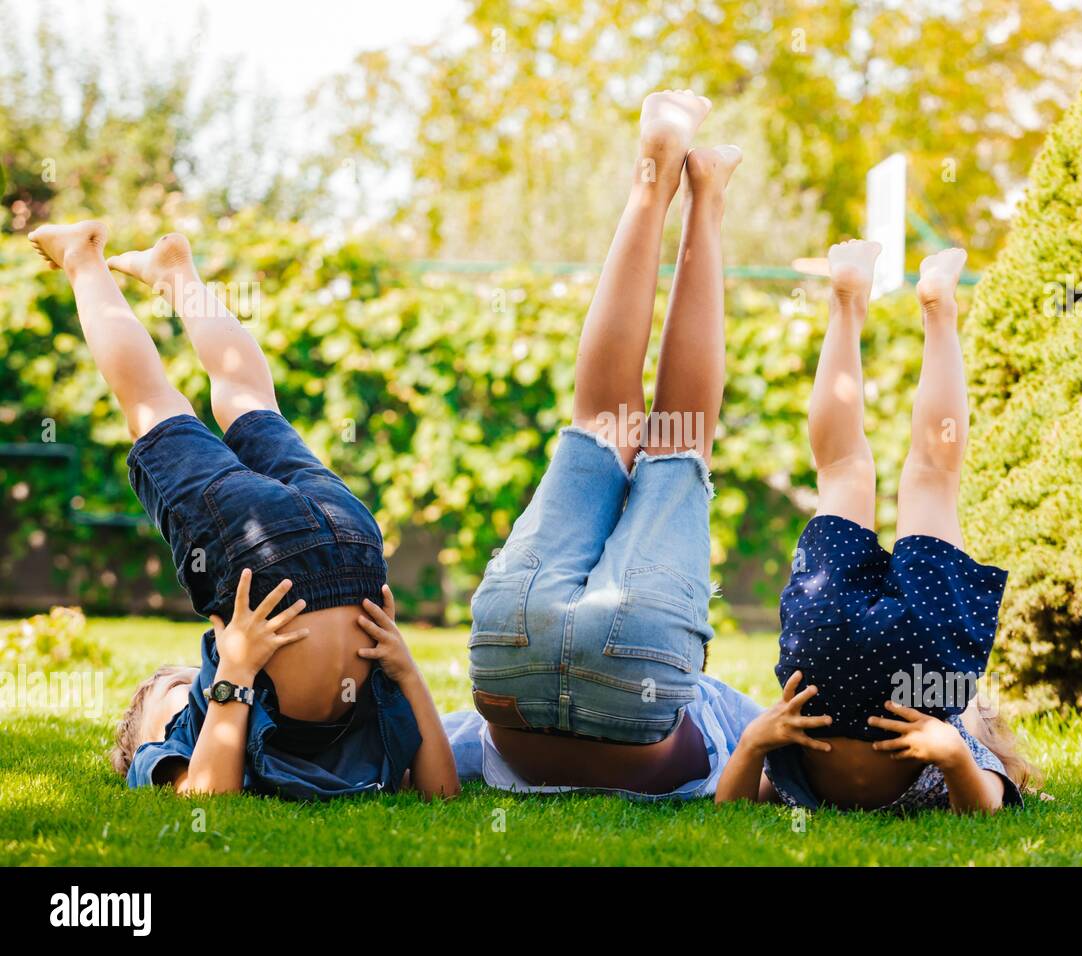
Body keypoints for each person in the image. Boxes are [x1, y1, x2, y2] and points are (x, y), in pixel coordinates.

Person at [28, 222, 458, 799]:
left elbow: (204, 795)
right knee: (228, 402)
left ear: (146, 749)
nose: (191, 682)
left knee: (197, 405)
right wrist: (405, 669)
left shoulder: (183, 738)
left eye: (182, 688)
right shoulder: (227, 723)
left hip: (317, 553)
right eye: (178, 688)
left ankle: (132, 267)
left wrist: (233, 673)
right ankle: (149, 271)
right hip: (336, 556)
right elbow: (441, 791)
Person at [447, 90, 762, 798]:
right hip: (510, 653)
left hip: (640, 666)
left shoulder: (727, 717)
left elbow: (782, 754)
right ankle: (656, 180)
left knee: (680, 437)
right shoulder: (466, 744)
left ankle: (703, 194)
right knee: (601, 421)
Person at [715, 239, 1033, 812]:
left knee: (927, 477)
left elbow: (728, 810)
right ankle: (853, 302)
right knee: (843, 472)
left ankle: (927, 310)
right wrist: (955, 753)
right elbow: (983, 812)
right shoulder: (951, 747)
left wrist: (754, 742)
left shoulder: (943, 722)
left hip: (889, 662)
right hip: (832, 652)